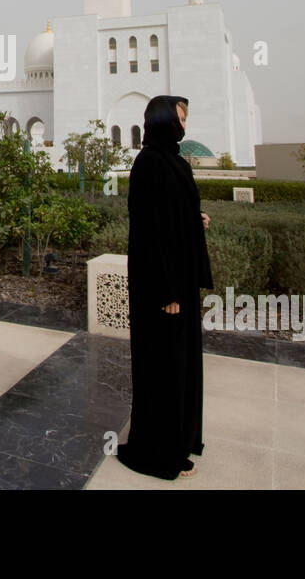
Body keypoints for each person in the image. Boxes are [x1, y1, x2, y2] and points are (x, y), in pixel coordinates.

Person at [116, 94, 213, 480]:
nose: (184, 125)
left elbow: (174, 216)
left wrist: (196, 218)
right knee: (163, 369)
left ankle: (180, 440)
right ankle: (156, 452)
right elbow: (151, 234)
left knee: (181, 365)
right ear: (162, 121)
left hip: (180, 281)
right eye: (180, 118)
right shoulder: (149, 164)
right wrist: (167, 292)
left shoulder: (171, 160)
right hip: (163, 288)